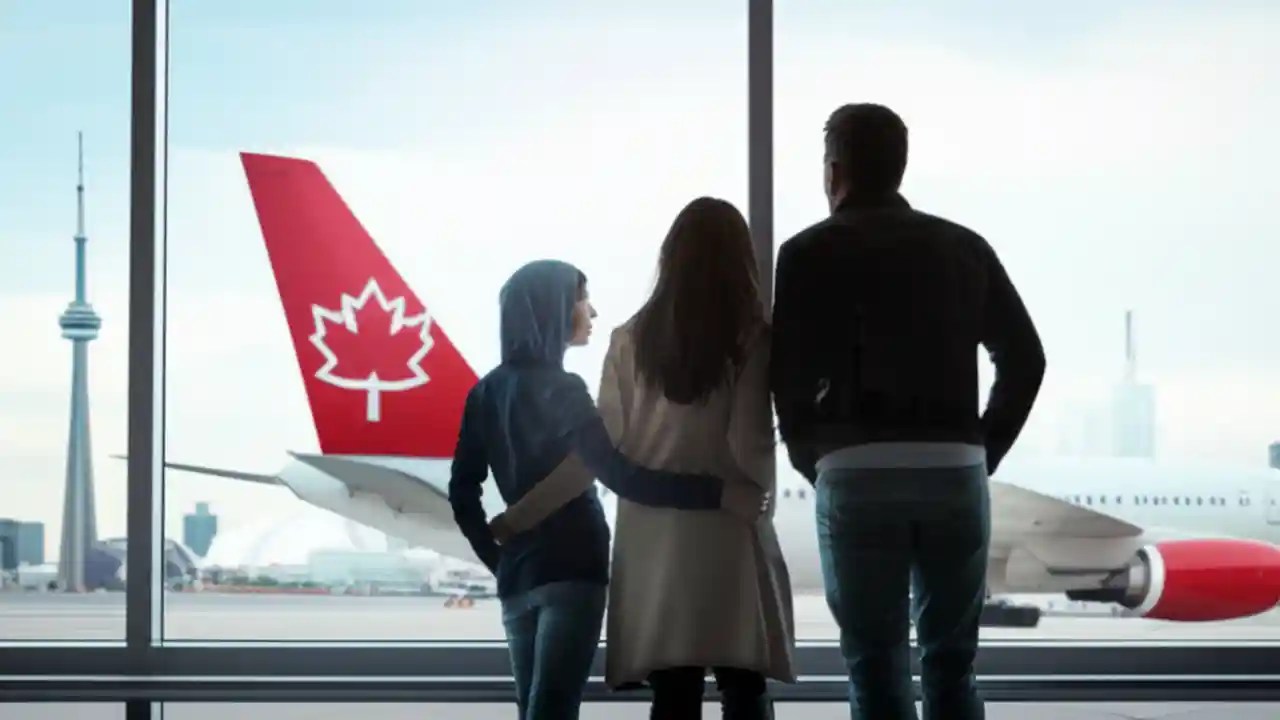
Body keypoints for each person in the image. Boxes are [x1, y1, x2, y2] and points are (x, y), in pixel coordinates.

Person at [770, 104, 1046, 720]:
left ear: (833, 170)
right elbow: (1025, 359)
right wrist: (982, 450)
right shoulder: (964, 247)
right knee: (951, 661)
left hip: (856, 471)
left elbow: (785, 375)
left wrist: (813, 455)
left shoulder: (807, 253)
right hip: (954, 471)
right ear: (900, 166)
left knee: (875, 662)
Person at [492, 200, 795, 720]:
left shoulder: (628, 340)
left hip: (653, 541)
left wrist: (518, 517)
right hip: (727, 531)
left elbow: (598, 455)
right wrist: (757, 507)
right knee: (743, 687)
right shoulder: (750, 338)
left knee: (674, 692)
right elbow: (750, 444)